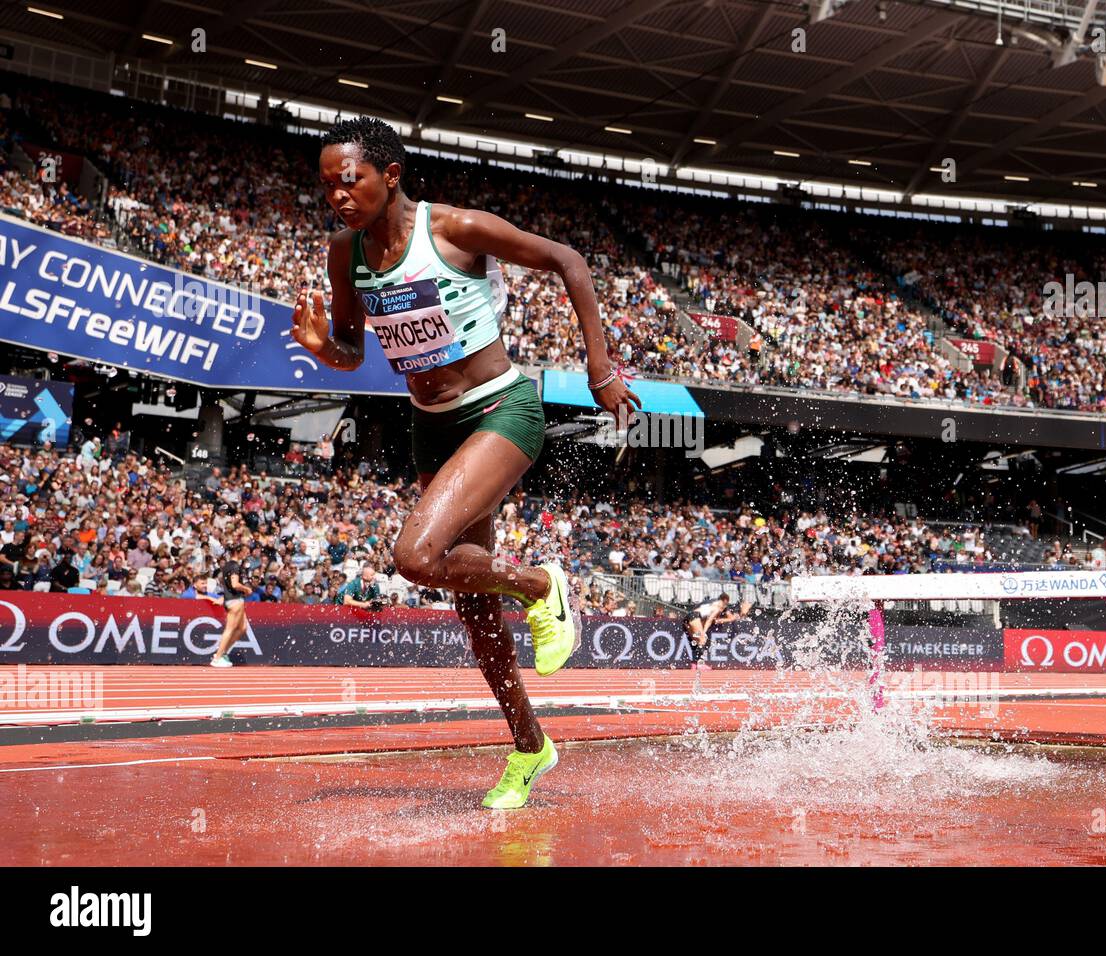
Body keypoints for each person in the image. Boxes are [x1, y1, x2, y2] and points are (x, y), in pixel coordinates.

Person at [293, 116, 639, 809]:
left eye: (349, 179)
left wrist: (599, 368)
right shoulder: (346, 253)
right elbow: (354, 352)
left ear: (391, 175)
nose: (337, 194)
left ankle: (542, 586)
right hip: (432, 428)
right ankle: (530, 748)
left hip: (500, 409)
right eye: (327, 184)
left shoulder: (454, 228)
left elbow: (569, 259)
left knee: (415, 556)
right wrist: (319, 347)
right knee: (477, 616)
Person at [204, 543, 253, 668]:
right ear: (238, 552)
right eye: (244, 551)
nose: (246, 553)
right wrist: (246, 589)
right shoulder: (235, 566)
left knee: (242, 628)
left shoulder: (227, 565)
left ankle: (223, 653)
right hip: (235, 600)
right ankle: (218, 657)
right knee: (230, 629)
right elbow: (235, 584)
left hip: (232, 599)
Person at [682, 594, 739, 671]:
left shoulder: (710, 603)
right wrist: (704, 632)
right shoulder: (719, 607)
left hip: (687, 618)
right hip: (694, 617)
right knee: (702, 640)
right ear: (724, 601)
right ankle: (699, 664)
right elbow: (709, 620)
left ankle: (694, 664)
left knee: (695, 641)